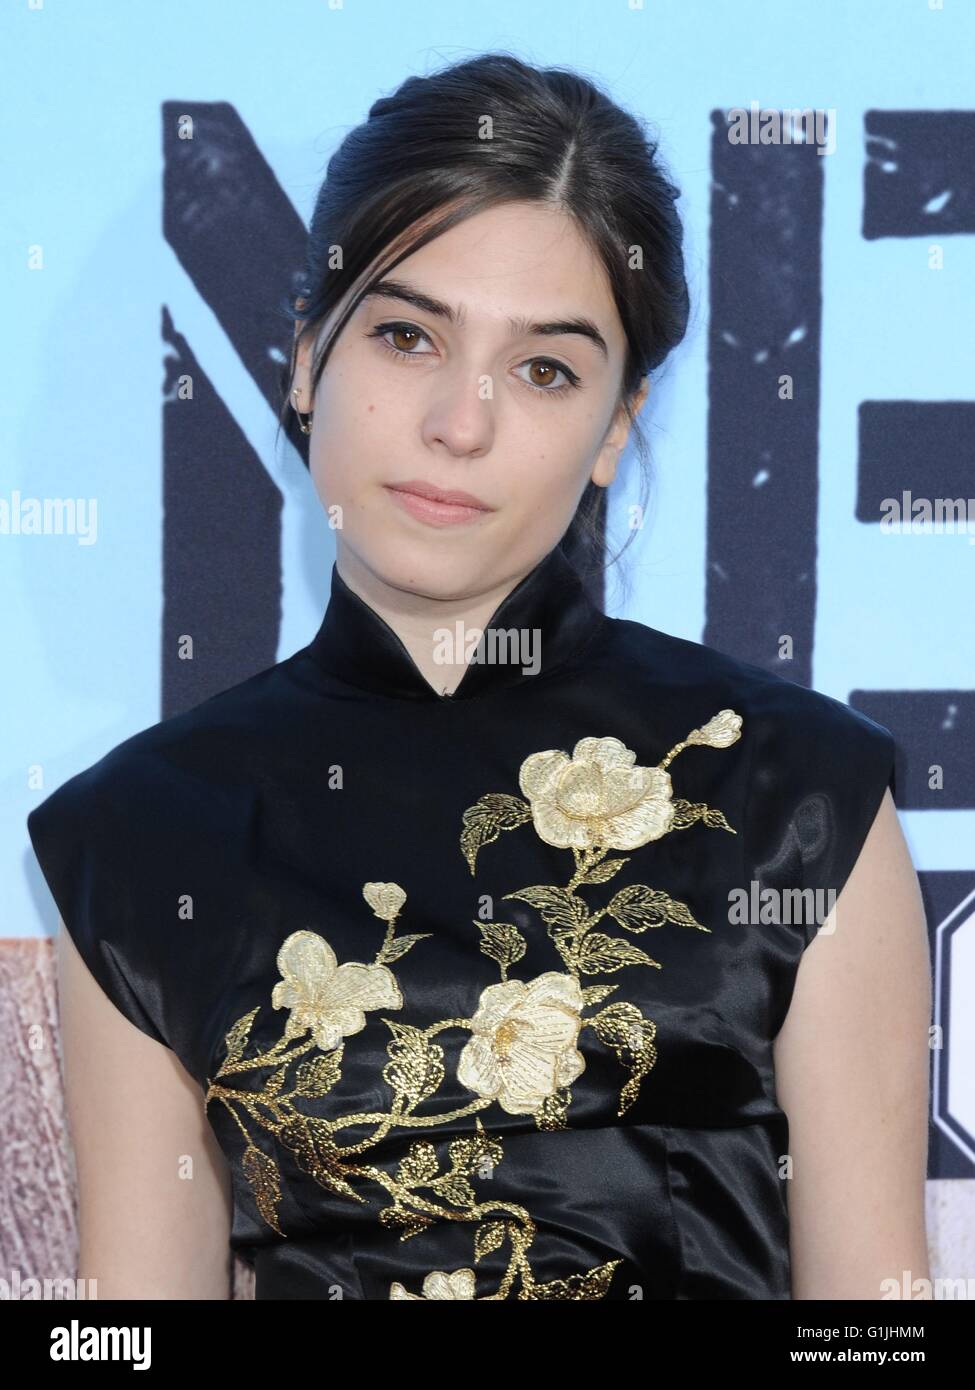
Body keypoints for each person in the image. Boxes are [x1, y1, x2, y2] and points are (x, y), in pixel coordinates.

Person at [26, 51, 931, 1301]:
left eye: (546, 368)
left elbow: (884, 1322)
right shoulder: (136, 838)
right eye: (407, 336)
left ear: (619, 423)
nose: (462, 421)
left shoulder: (802, 799)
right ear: (304, 361)